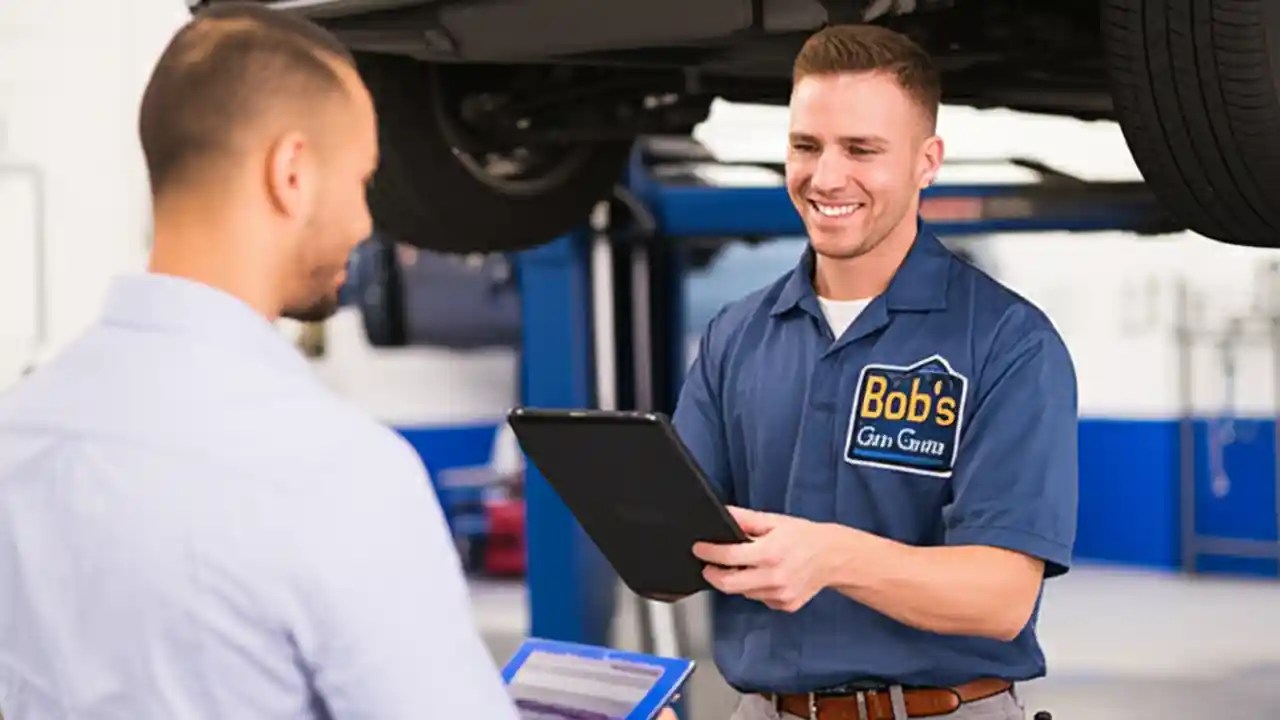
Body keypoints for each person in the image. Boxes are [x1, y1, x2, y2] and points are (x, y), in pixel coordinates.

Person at [0, 4, 528, 718]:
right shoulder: (338, 474)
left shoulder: (19, 432)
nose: (365, 222)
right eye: (362, 181)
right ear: (292, 173)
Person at [675, 24, 1078, 720]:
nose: (826, 177)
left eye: (861, 150)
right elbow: (674, 555)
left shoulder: (1008, 343)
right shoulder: (734, 336)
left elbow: (1001, 597)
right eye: (806, 146)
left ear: (927, 162)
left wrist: (832, 557)